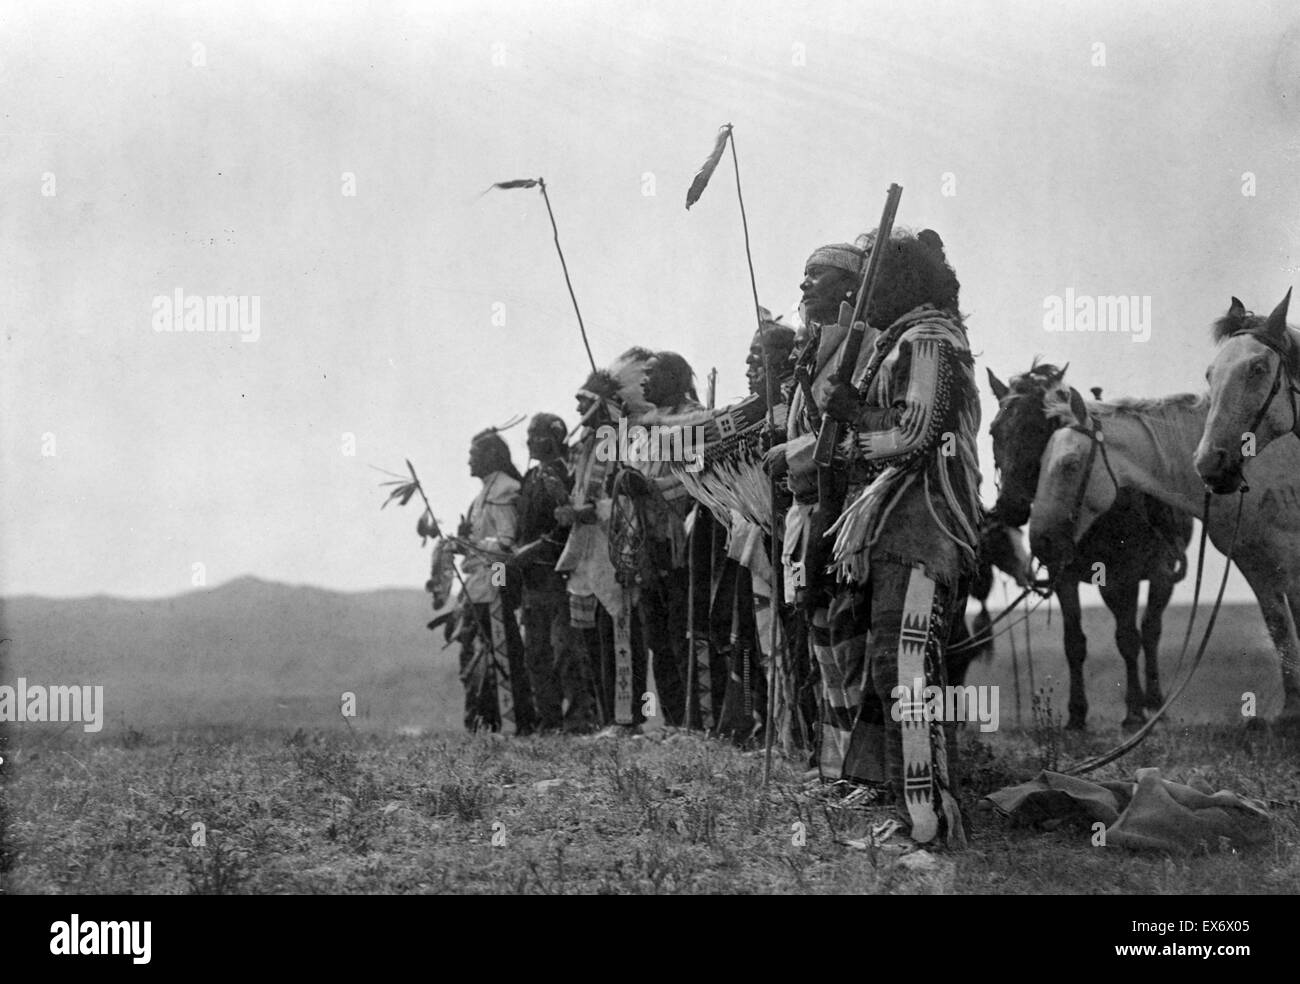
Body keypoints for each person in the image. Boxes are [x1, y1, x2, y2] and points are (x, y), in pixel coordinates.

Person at [766, 229, 981, 848]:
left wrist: (852, 416)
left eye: (873, 280)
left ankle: (931, 826)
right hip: (894, 524)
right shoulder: (902, 340)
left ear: (903, 282)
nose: (863, 292)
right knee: (897, 670)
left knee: (905, 670)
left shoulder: (930, 338)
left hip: (925, 524)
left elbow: (916, 433)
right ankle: (918, 815)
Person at [555, 348, 656, 730]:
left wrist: (590, 511)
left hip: (616, 552)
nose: (578, 409)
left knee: (621, 634)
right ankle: (603, 719)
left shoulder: (625, 441)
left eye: (585, 402)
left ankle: (626, 719)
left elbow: (631, 496)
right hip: (587, 555)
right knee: (592, 639)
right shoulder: (589, 446)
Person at [508, 413, 598, 733]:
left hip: (560, 578)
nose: (530, 441)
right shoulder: (531, 478)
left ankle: (579, 721)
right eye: (529, 435)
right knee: (536, 655)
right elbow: (523, 530)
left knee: (567, 652)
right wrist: (515, 555)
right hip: (532, 582)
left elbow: (566, 530)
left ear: (554, 438)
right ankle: (549, 722)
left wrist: (531, 551)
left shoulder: (566, 473)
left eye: (536, 435)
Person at [453, 429, 538, 735]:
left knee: (503, 651)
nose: (468, 462)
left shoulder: (504, 489)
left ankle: (513, 722)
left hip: (497, 581)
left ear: (490, 457)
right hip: (479, 583)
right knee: (483, 653)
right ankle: (489, 721)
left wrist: (473, 546)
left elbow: (506, 543)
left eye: (473, 456)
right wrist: (461, 544)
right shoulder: (484, 494)